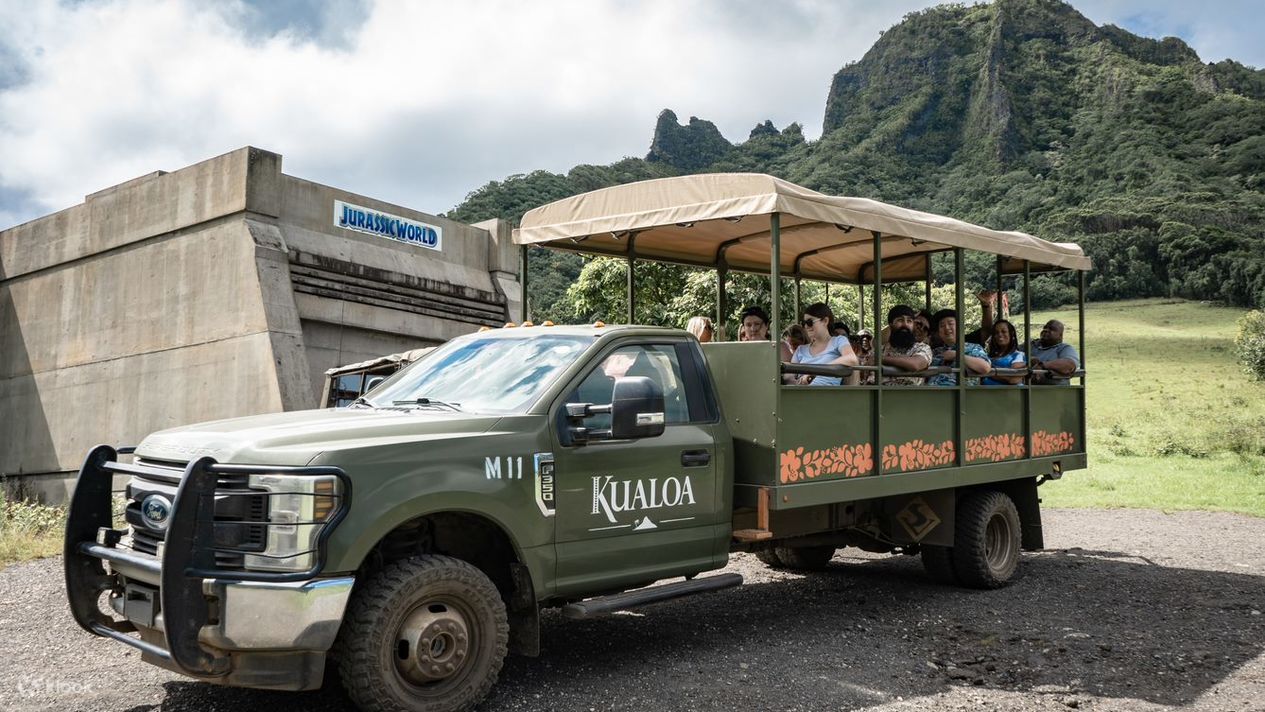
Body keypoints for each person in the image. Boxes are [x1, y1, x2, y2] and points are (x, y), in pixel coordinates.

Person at [787, 302, 858, 386]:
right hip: (802, 394)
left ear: (825, 321)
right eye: (804, 323)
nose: (806, 326)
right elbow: (789, 377)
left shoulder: (838, 341)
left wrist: (816, 372)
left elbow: (851, 358)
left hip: (827, 395)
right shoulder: (801, 350)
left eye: (810, 322)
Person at [926, 309, 991, 386]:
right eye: (942, 326)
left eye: (950, 324)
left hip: (960, 395)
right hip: (931, 393)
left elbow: (985, 367)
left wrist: (956, 355)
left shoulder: (973, 348)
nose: (946, 328)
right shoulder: (935, 352)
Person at [882, 305, 933, 385]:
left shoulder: (922, 348)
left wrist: (880, 360)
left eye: (909, 321)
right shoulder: (883, 347)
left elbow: (915, 364)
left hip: (908, 394)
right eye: (918, 324)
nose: (921, 329)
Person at [1029, 319, 1080, 385]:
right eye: (1045, 328)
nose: (1046, 330)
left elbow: (1069, 365)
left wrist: (1042, 365)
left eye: (1051, 329)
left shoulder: (1064, 348)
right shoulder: (1031, 345)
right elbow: (1013, 353)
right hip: (1027, 388)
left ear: (1060, 335)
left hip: (1055, 391)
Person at [981, 319, 1026, 385]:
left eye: (1004, 331)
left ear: (1011, 334)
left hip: (1008, 393)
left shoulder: (1018, 355)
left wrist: (988, 370)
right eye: (996, 333)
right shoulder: (989, 356)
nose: (1000, 334)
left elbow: (1014, 379)